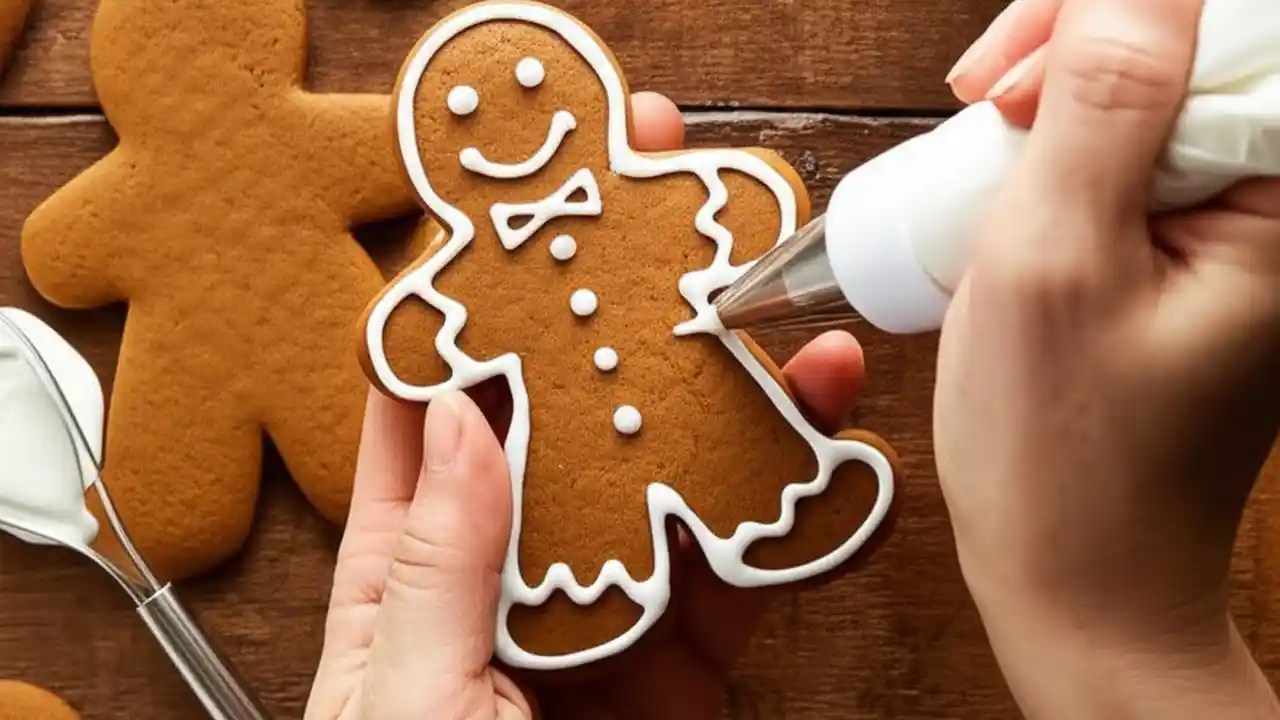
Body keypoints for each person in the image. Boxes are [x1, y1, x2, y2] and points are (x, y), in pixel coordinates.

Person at [305, 0, 1280, 716]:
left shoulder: (647, 201)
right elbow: (414, 337)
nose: (507, 125)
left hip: (686, 391)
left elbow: (736, 201)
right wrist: (1124, 640)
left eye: (527, 88)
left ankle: (792, 510)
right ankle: (580, 599)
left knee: (742, 458)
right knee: (581, 528)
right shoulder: (473, 273)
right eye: (465, 113)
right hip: (570, 444)